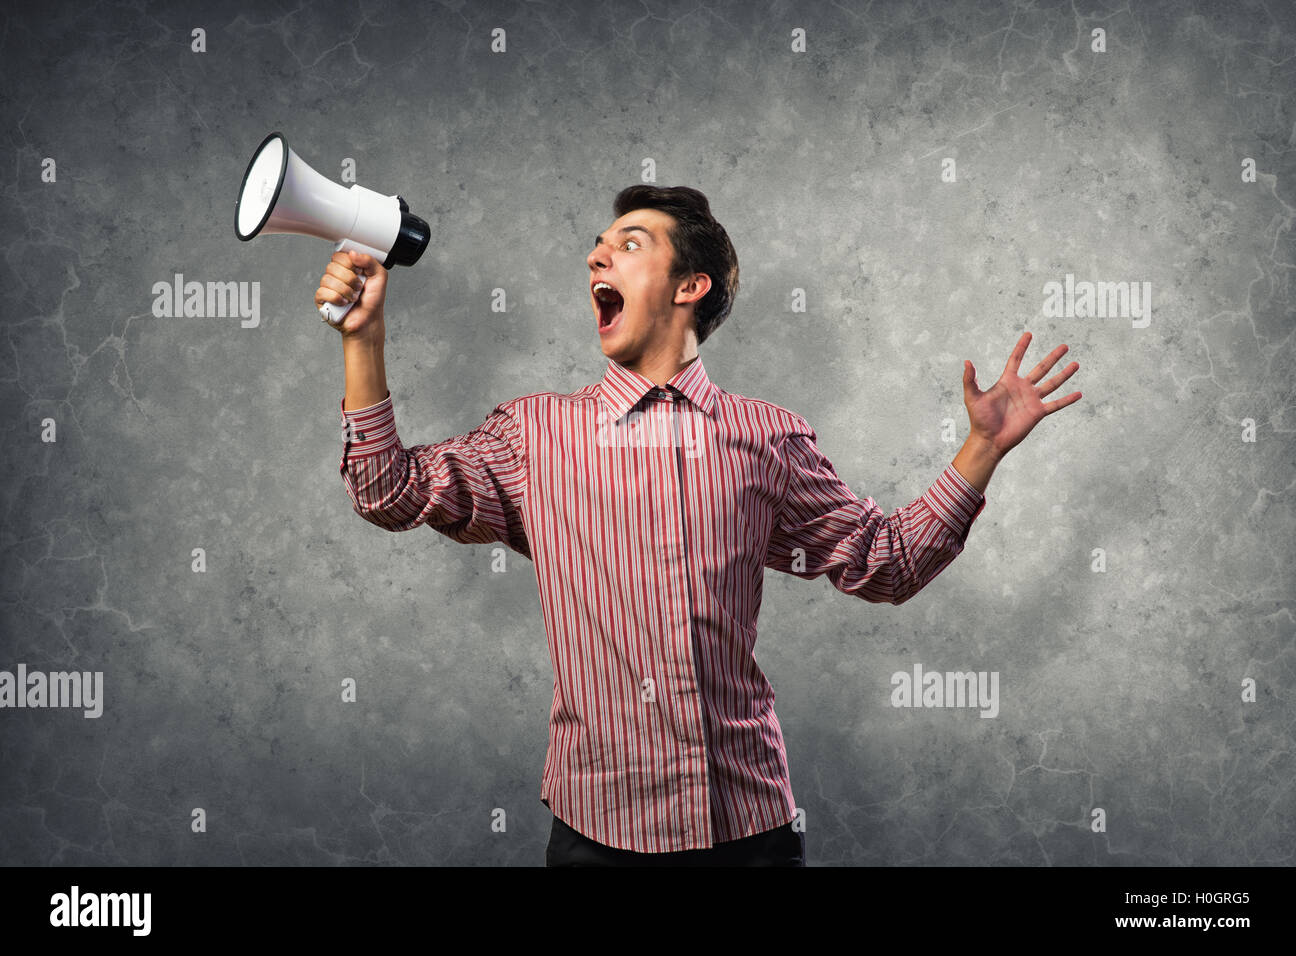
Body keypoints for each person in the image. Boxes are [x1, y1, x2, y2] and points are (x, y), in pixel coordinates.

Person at [315, 185, 1082, 867]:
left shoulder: (767, 437)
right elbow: (387, 490)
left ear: (691, 285)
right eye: (597, 248)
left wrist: (981, 448)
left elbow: (886, 563)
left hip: (747, 833)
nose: (596, 258)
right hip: (595, 835)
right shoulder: (533, 434)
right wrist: (363, 339)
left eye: (627, 244)